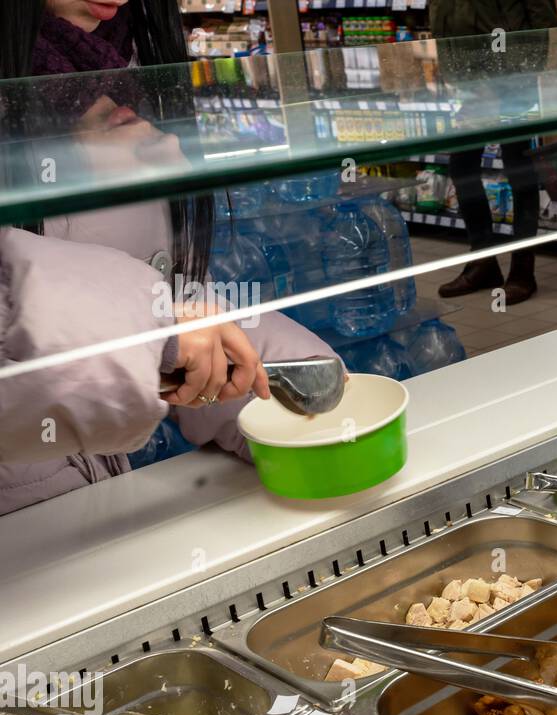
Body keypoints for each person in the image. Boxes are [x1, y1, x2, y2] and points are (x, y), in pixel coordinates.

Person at [0, 0, 335, 515]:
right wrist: (156, 327)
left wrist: (289, 385)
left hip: (72, 505)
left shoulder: (118, 51)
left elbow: (169, 289)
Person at [429, 0, 557, 305]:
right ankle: (483, 260)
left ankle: (523, 271)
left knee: (520, 172)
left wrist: (517, 75)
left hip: (512, 84)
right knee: (462, 169)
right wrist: (456, 75)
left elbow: (542, 20)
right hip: (470, 85)